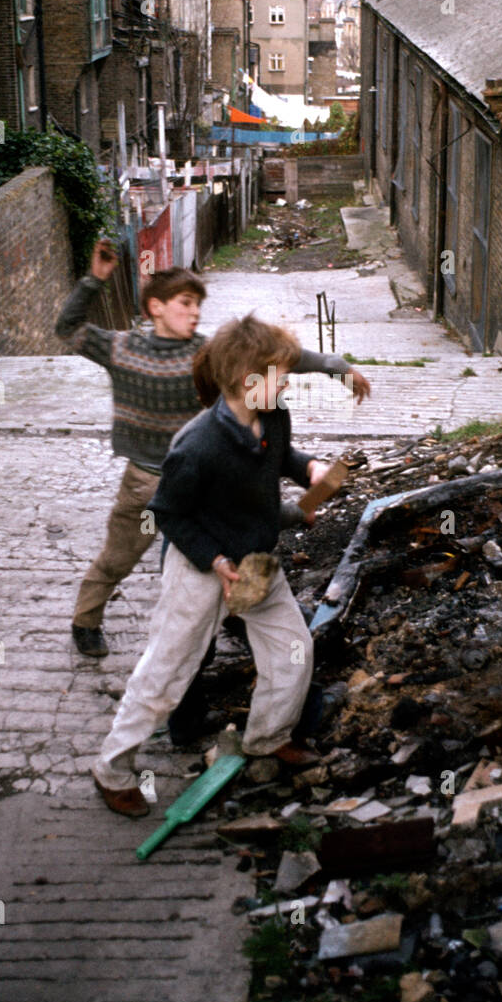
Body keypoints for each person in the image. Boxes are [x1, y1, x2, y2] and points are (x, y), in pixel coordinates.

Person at [55, 240, 370, 658]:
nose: (195, 312)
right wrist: (94, 279)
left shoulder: (205, 353)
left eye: (198, 304)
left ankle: (228, 620)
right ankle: (86, 620)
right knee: (120, 558)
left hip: (204, 485)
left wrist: (336, 366)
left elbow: (274, 356)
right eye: (185, 303)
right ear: (156, 307)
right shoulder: (121, 349)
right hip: (147, 487)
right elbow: (69, 328)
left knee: (212, 553)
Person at [92, 315, 327, 817]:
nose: (287, 382)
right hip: (202, 568)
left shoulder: (274, 413)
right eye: (280, 374)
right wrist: (215, 561)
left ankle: (268, 736)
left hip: (258, 562)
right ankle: (111, 769)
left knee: (293, 649)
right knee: (168, 671)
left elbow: (280, 455)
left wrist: (309, 468)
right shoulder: (196, 447)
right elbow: (166, 514)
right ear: (248, 382)